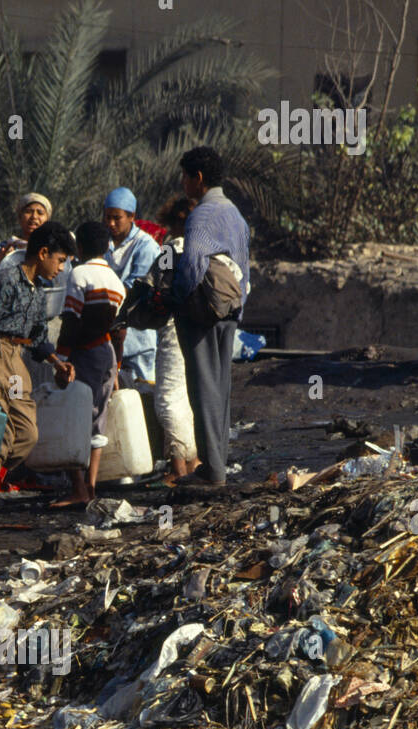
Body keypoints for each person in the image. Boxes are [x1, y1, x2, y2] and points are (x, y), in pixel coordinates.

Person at [0, 221, 76, 536]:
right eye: (60, 260)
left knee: (26, 435)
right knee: (4, 431)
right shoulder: (4, 281)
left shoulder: (36, 290)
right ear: (44, 252)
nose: (61, 268)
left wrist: (57, 363)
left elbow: (37, 338)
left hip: (15, 360)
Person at [169, 146, 250, 490]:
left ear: (197, 179)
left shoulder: (201, 215)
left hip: (203, 312)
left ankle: (212, 471)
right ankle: (219, 463)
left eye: (185, 176)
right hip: (230, 309)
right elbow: (244, 264)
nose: (183, 183)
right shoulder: (235, 213)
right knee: (220, 387)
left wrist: (176, 298)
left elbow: (191, 264)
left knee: (202, 388)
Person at [52, 221, 126, 508]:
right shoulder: (116, 282)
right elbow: (120, 330)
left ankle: (78, 488)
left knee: (73, 415)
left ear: (79, 248)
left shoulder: (79, 273)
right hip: (106, 353)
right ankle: (90, 486)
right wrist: (117, 367)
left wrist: (61, 358)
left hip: (84, 352)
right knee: (98, 419)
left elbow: (71, 319)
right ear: (107, 247)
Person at [153, 195, 199, 485]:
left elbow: (158, 286)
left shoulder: (172, 248)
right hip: (201, 330)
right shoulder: (212, 248)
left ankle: (179, 467)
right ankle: (196, 462)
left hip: (173, 329)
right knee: (192, 396)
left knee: (168, 398)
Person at [103, 186, 159, 385]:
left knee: (140, 392)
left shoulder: (146, 245)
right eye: (107, 217)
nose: (111, 223)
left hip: (137, 335)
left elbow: (136, 287)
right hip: (108, 334)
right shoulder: (104, 243)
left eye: (116, 218)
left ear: (131, 216)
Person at [0, 193, 52, 271]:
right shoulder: (3, 248)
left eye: (40, 213)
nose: (34, 217)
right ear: (19, 217)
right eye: (28, 211)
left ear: (47, 219)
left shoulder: (53, 251)